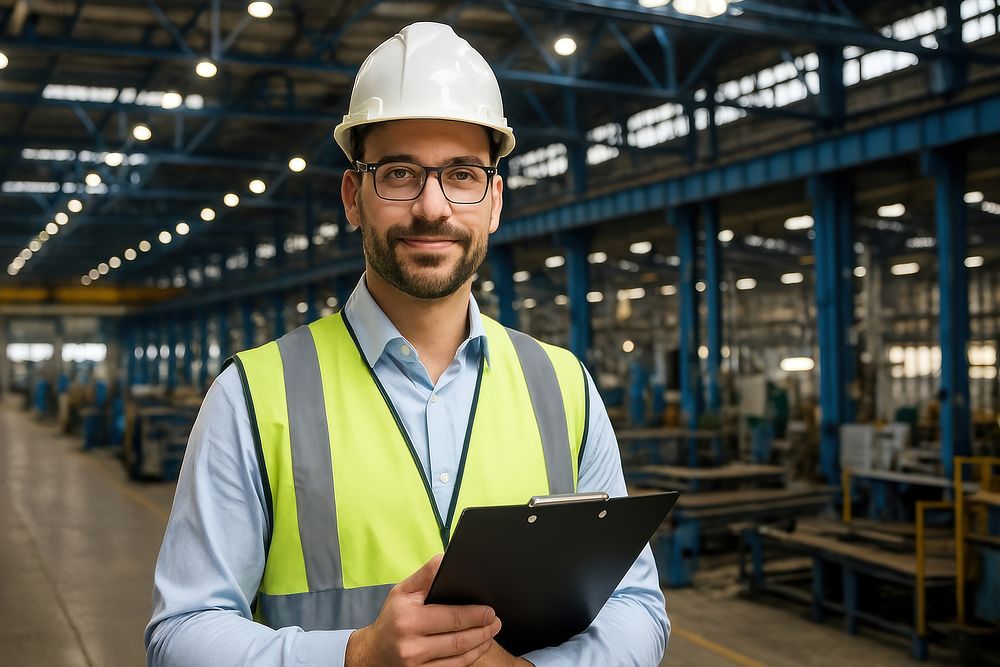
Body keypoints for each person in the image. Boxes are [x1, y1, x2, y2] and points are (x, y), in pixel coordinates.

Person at [145, 21, 668, 667]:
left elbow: (635, 604)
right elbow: (182, 633)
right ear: (353, 196)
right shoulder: (253, 396)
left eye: (462, 173)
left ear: (495, 199)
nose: (432, 206)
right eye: (398, 173)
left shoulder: (563, 386)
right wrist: (356, 654)